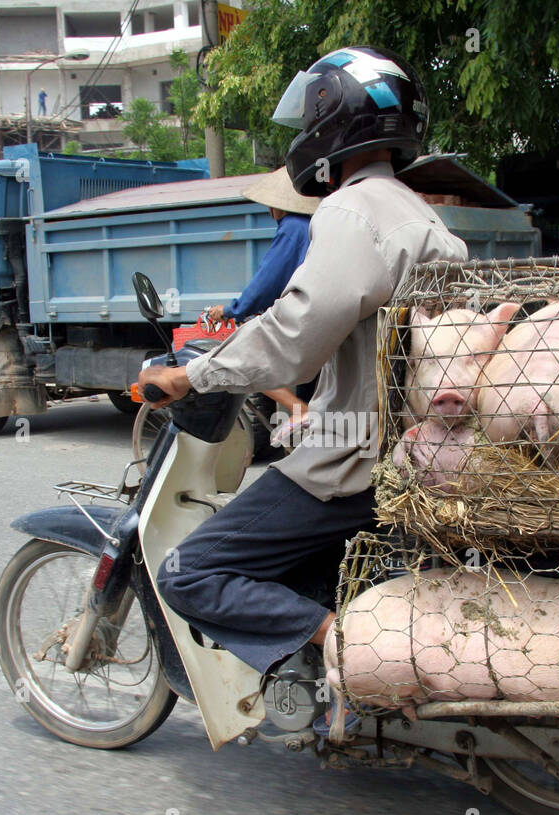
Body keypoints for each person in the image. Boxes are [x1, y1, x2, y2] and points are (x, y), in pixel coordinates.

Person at [139, 47, 467, 706]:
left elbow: (295, 335)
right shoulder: (419, 213)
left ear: (334, 123)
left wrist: (196, 375)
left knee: (189, 571)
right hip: (413, 448)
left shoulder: (352, 211)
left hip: (354, 463)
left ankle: (349, 643)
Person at [205, 167, 321, 436]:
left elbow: (266, 284)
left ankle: (297, 409)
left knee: (251, 360)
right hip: (323, 318)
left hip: (307, 318)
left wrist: (232, 310)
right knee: (314, 392)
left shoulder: (293, 228)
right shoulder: (313, 225)